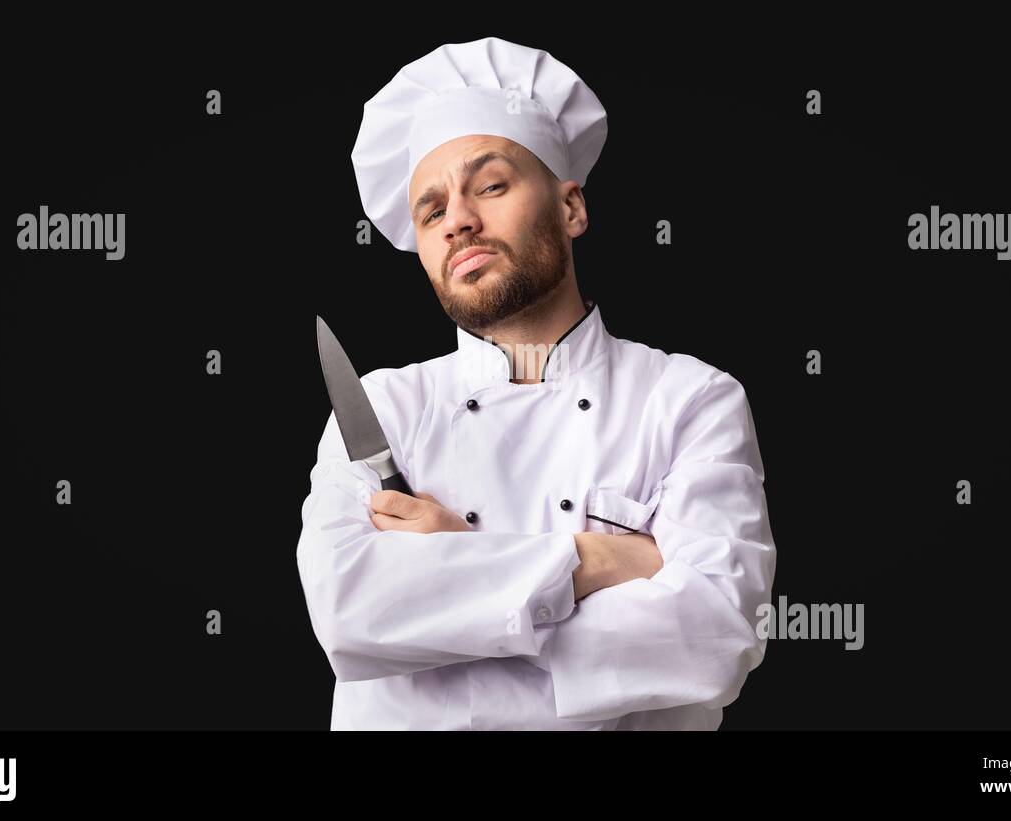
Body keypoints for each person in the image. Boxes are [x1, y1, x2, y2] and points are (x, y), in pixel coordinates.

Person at [297, 36, 776, 730]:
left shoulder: (691, 401)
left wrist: (450, 580)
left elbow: (717, 635)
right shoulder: (381, 409)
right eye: (431, 212)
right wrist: (604, 559)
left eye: (490, 185)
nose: (459, 219)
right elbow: (349, 616)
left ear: (571, 208)